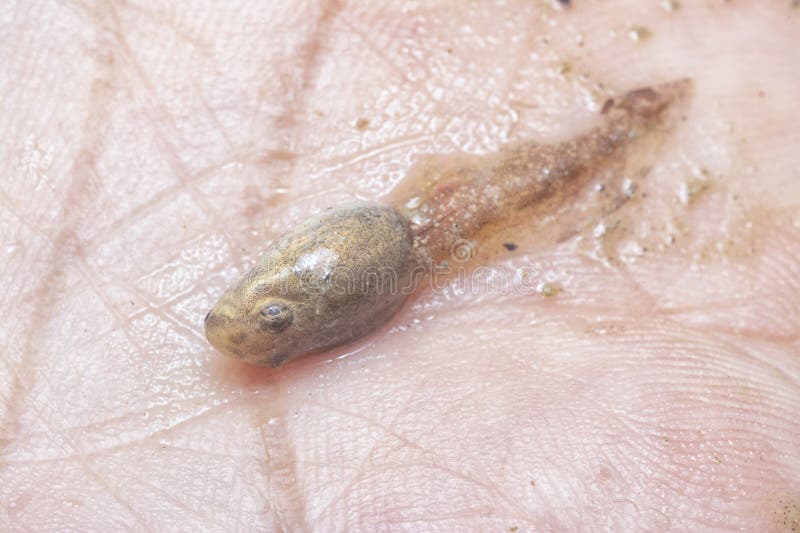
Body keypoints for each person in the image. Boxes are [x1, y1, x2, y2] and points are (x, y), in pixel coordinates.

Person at [1, 1, 798, 530]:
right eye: (274, 326)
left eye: (272, 322)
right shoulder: (377, 269)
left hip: (424, 229)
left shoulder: (389, 253)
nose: (247, 322)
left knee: (532, 187)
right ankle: (626, 128)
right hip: (417, 234)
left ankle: (630, 126)